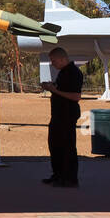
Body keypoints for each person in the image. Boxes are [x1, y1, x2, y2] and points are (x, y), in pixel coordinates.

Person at [39, 47, 83, 187]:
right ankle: (58, 175)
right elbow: (61, 89)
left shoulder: (74, 73)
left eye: (54, 61)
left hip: (67, 116)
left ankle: (69, 178)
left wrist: (54, 90)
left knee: (67, 147)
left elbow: (76, 96)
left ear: (63, 59)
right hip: (57, 115)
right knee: (55, 145)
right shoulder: (63, 73)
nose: (52, 64)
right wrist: (51, 87)